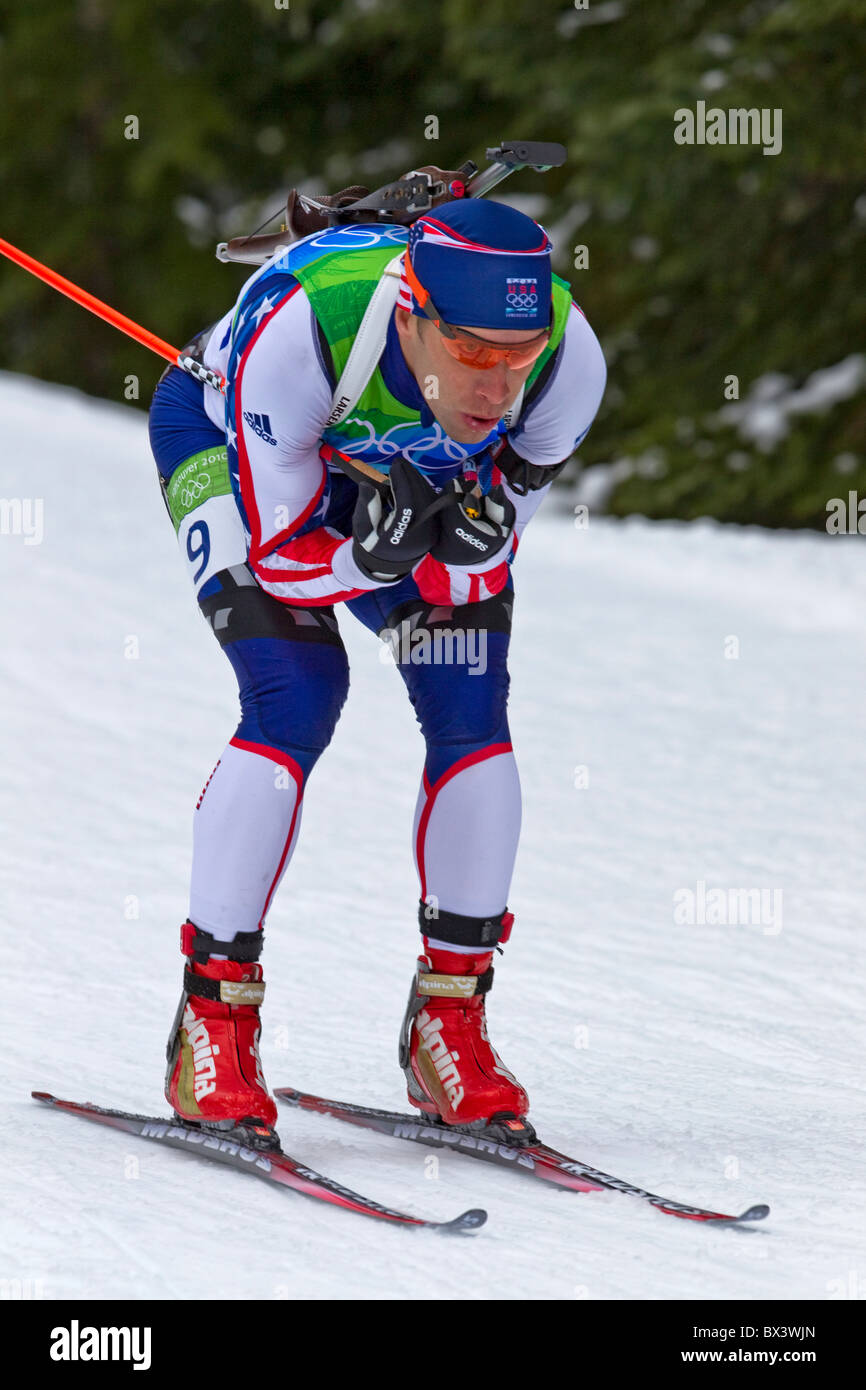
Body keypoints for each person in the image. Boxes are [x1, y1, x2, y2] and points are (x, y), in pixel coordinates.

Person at [148, 194, 606, 1144]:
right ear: (412, 314)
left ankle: (451, 1022)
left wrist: (449, 542)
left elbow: (484, 556)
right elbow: (279, 555)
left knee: (470, 710)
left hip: (387, 483)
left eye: (517, 354)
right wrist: (370, 557)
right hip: (231, 445)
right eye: (475, 352)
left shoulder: (568, 362)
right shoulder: (306, 333)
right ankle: (213, 1021)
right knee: (298, 694)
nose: (499, 384)